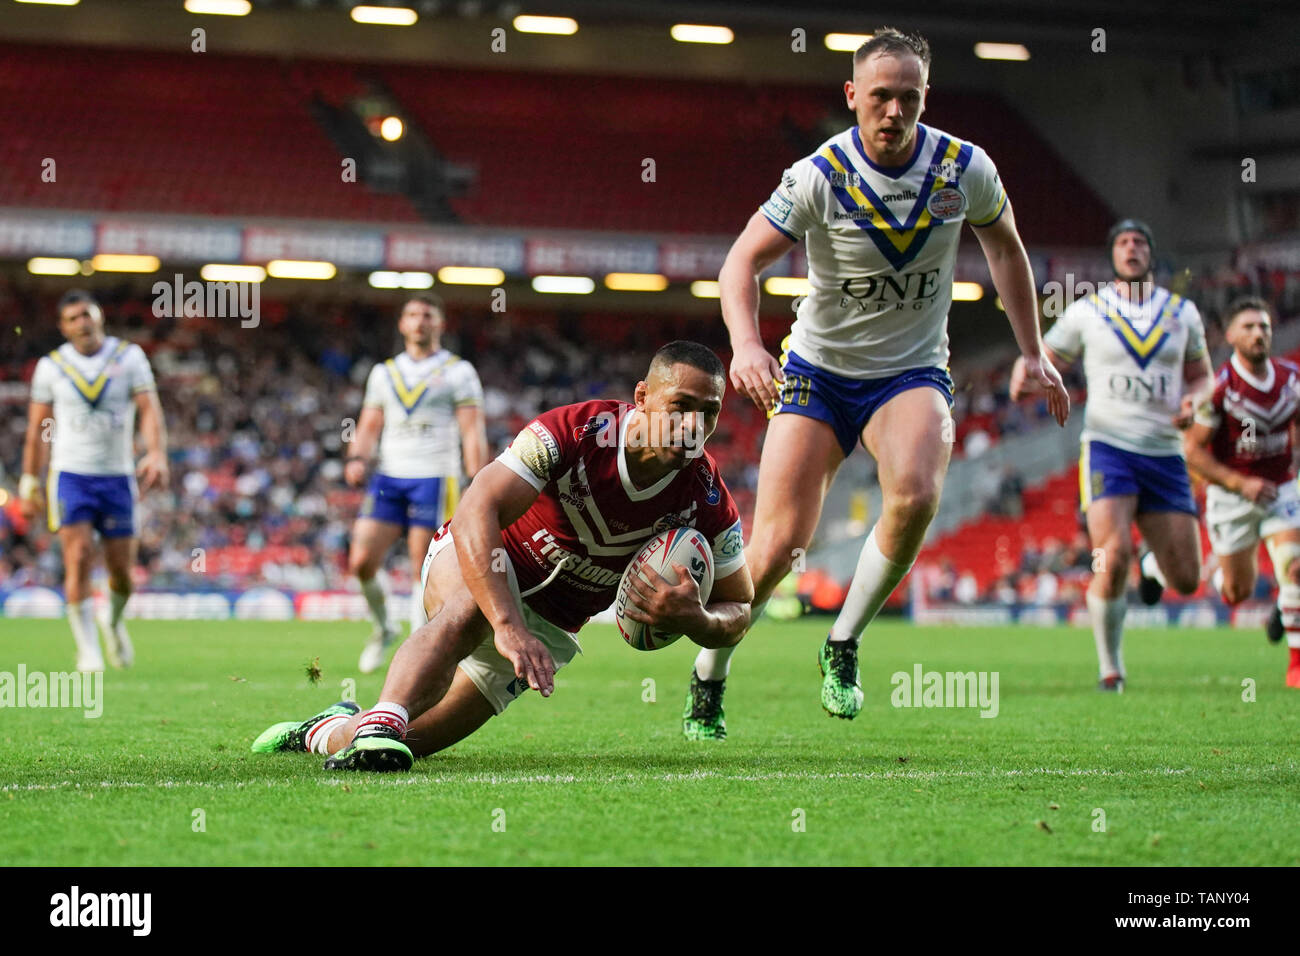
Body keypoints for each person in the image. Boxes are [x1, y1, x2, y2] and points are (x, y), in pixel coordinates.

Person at [681, 26, 1069, 738]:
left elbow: (1007, 251)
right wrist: (745, 345)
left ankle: (843, 641)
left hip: (911, 371)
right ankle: (711, 673)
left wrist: (1033, 351)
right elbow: (740, 262)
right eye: (881, 96)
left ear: (926, 99)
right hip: (818, 371)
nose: (894, 111)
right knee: (773, 552)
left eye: (909, 98)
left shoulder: (964, 168)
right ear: (853, 96)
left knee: (918, 493)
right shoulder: (819, 176)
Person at [252, 341, 753, 770]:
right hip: (484, 561)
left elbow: (741, 607)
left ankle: (328, 729)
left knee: (409, 743)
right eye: (681, 405)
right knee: (470, 611)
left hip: (550, 628)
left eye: (708, 412)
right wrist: (507, 624)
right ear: (642, 397)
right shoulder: (573, 431)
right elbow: (477, 509)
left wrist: (699, 620)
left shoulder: (706, 498)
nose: (693, 425)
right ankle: (385, 714)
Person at [1012, 219, 1213, 691]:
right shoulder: (1087, 312)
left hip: (1165, 453)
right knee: (1112, 553)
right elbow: (1044, 360)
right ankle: (1111, 669)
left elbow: (1203, 376)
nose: (1132, 248)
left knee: (1186, 579)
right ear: (1113, 256)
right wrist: (1027, 376)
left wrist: (1194, 401)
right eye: (1123, 242)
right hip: (1108, 447)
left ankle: (1152, 566)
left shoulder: (1182, 313)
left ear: (1151, 254)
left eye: (1140, 242)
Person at [18, 290, 168, 671]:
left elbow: (150, 410)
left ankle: (113, 621)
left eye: (86, 314)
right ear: (63, 327)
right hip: (70, 475)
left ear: (99, 316)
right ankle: (88, 649)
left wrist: (156, 453)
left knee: (122, 572)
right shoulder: (51, 367)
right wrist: (29, 480)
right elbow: (37, 429)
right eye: (72, 318)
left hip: (118, 476)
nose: (81, 323)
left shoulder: (128, 357)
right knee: (79, 556)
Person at [344, 294, 488, 673]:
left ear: (440, 323)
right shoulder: (383, 372)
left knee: (419, 566)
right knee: (361, 561)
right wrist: (357, 457)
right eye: (412, 315)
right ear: (401, 324)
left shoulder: (458, 371)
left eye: (427, 314)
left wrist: (478, 478)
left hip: (436, 476)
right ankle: (384, 627)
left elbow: (471, 431)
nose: (419, 321)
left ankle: (416, 653)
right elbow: (370, 422)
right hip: (390, 475)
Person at [1183, 298, 1300, 688]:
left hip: (1281, 489)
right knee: (1237, 592)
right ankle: (1278, 607)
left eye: (1264, 327)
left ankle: (1296, 667)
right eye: (1248, 327)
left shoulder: (1292, 379)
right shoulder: (1219, 389)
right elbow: (1192, 449)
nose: (1258, 333)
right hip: (1232, 499)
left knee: (1294, 569)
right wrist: (1239, 483)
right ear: (1231, 335)